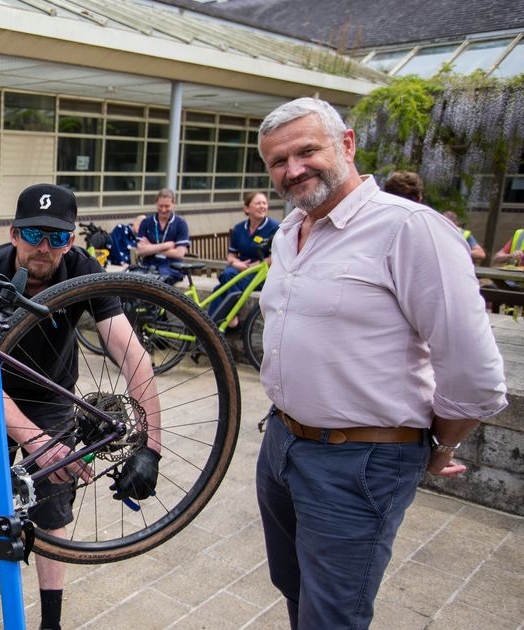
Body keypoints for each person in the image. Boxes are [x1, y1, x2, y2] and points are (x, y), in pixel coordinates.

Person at [254, 97, 506, 629]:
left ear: (346, 144)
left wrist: (439, 445)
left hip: (360, 458)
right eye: (278, 161)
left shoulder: (410, 228)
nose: (292, 169)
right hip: (281, 443)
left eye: (306, 151)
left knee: (334, 614)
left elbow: (475, 374)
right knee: (295, 588)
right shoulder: (288, 233)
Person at [0, 184, 163, 630]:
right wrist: (37, 443)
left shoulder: (82, 270)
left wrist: (150, 447)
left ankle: (51, 620)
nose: (44, 248)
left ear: (71, 240)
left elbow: (133, 355)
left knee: (52, 506)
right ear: (13, 233)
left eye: (57, 237)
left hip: (53, 396)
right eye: (33, 234)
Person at [208, 191, 279, 325]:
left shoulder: (274, 227)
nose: (262, 206)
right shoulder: (239, 228)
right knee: (226, 277)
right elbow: (231, 255)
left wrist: (253, 266)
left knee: (222, 284)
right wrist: (235, 262)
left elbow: (276, 256)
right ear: (247, 208)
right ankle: (217, 327)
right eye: (258, 203)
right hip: (240, 269)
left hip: (261, 274)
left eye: (264, 203)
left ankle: (211, 328)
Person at [134, 188, 191, 284]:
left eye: (167, 206)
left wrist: (151, 248)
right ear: (156, 203)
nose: (163, 210)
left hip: (171, 268)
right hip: (148, 266)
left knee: (159, 284)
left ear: (173, 204)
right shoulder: (146, 222)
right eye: (161, 206)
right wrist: (166, 245)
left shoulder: (181, 224)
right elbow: (141, 251)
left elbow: (179, 253)